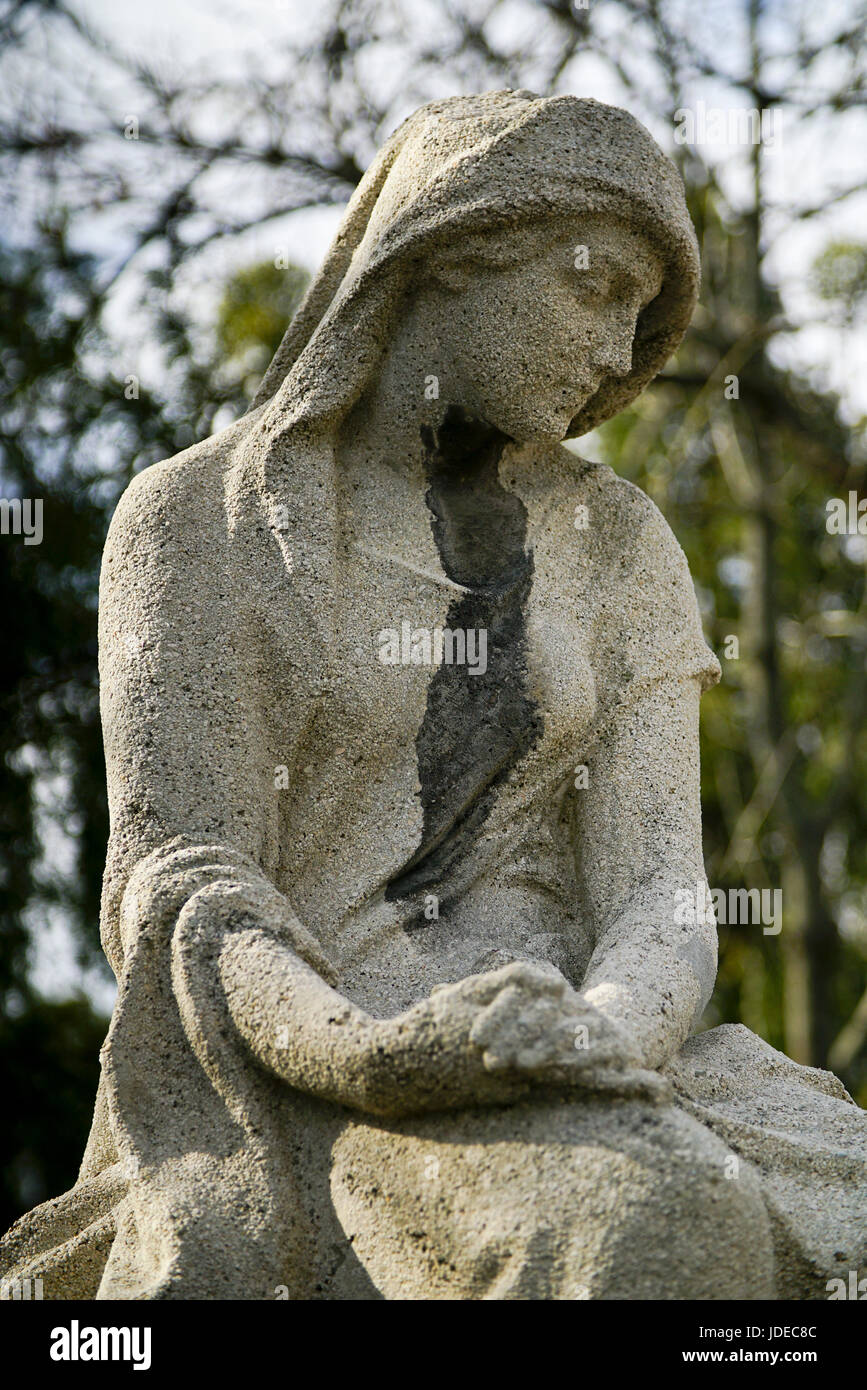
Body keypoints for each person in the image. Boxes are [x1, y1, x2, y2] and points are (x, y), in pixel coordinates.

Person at [2, 90, 865, 1300]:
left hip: (591, 1050)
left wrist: (591, 1039)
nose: (619, 354)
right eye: (594, 286)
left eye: (641, 315)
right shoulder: (197, 521)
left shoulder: (620, 541)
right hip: (320, 1075)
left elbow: (664, 893)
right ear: (452, 245)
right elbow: (181, 884)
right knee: (660, 1223)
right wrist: (371, 1056)